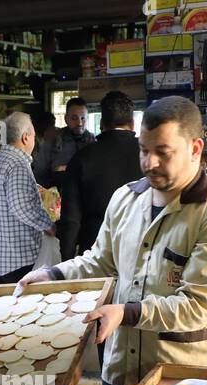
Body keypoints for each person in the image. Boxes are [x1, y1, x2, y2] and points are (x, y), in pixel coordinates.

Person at [16, 96, 207, 385]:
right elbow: (100, 261)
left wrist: (126, 312)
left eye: (163, 152)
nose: (149, 162)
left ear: (195, 149)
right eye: (143, 149)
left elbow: (199, 306)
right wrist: (53, 274)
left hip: (181, 378)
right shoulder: (126, 199)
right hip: (121, 372)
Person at [60, 91, 140, 261]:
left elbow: (71, 221)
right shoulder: (150, 156)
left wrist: (66, 262)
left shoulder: (81, 159)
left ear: (102, 124)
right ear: (132, 124)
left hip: (95, 254)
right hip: (141, 250)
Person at [0, 112, 56, 284]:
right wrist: (49, 225)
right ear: (25, 137)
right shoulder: (18, 164)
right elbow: (23, 208)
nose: (35, 142)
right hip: (17, 256)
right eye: (34, 137)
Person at [33, 97, 93, 190]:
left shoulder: (93, 142)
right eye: (74, 118)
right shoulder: (53, 141)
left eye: (83, 118)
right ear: (66, 119)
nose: (79, 123)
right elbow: (38, 175)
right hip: (58, 198)